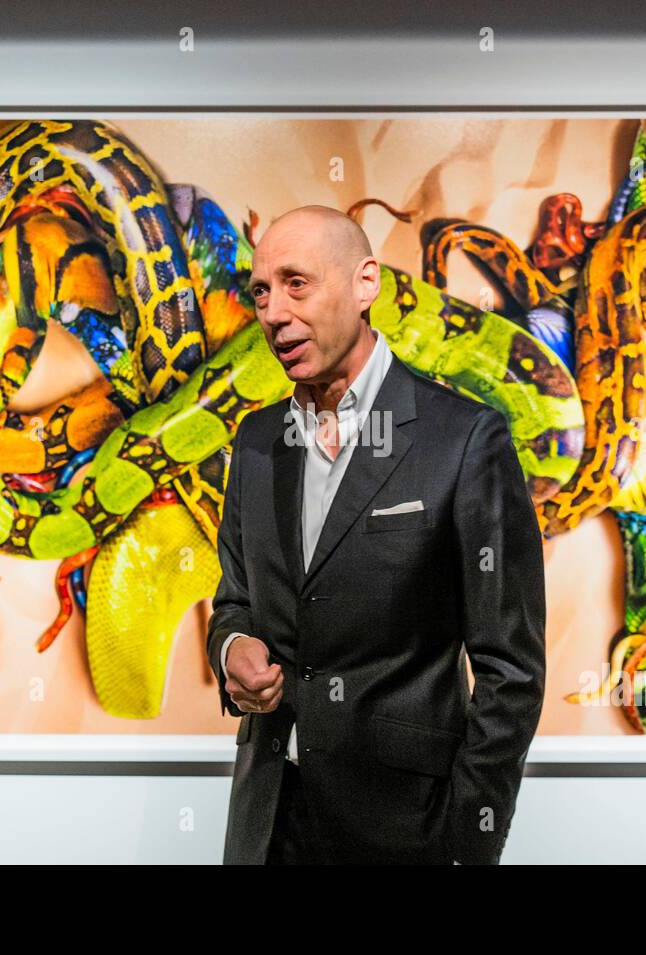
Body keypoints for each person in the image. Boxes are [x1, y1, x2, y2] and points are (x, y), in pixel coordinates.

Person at [206, 205, 547, 864]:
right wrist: (231, 650)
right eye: (261, 292)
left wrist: (466, 843)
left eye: (296, 283)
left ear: (366, 283)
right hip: (265, 826)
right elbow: (234, 602)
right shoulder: (255, 442)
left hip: (406, 833)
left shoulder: (464, 439)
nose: (274, 312)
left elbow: (512, 669)